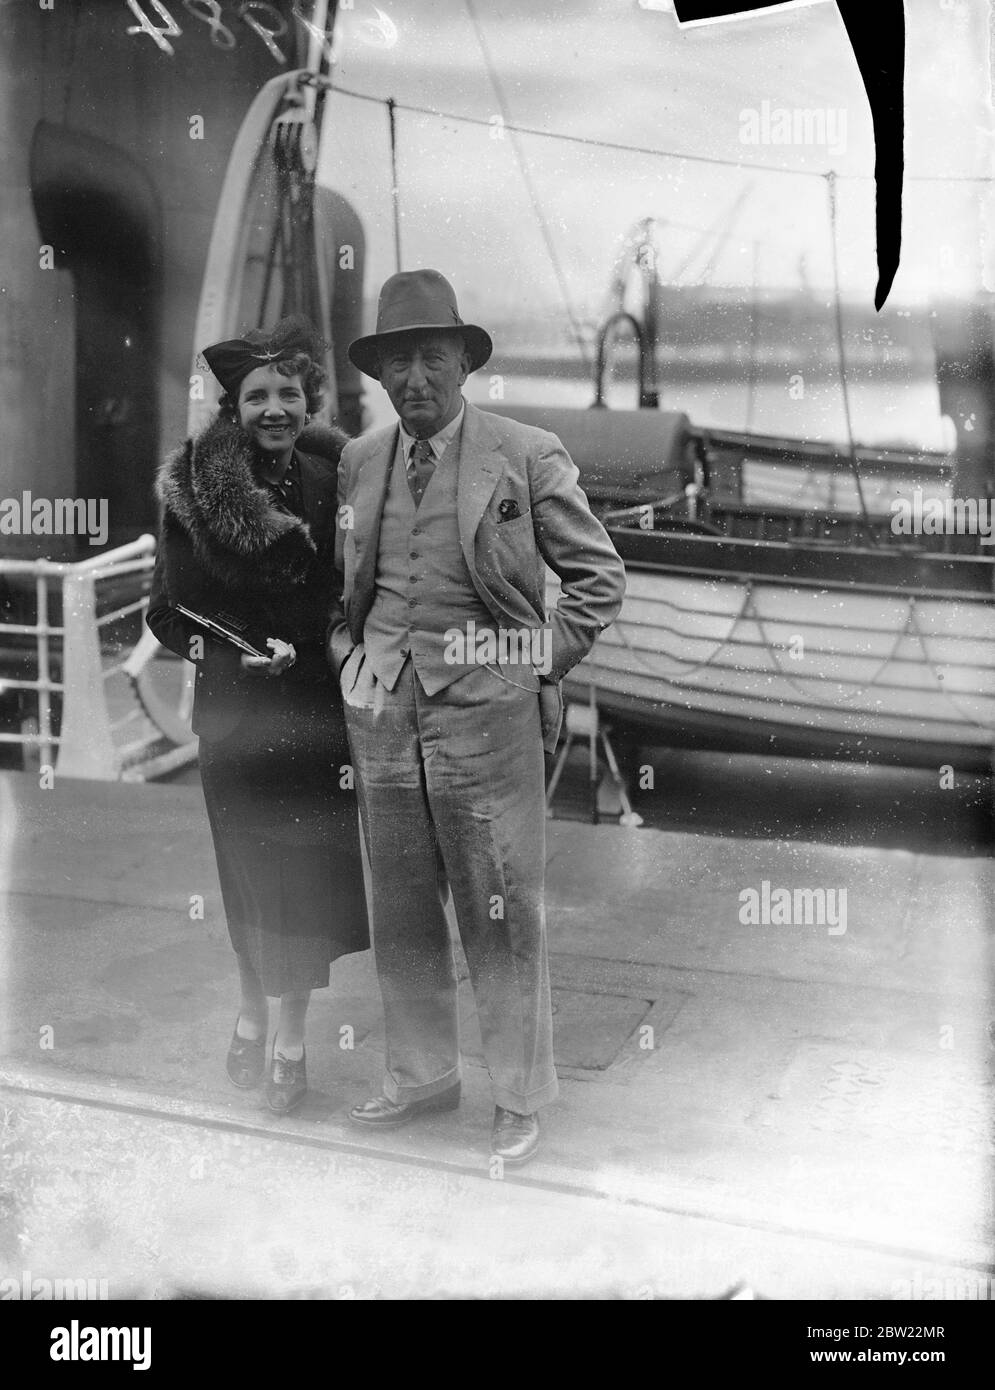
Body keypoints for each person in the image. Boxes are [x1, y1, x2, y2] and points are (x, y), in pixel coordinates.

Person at [328, 270, 626, 1165]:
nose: (414, 377)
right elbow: (350, 586)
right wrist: (350, 659)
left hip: (488, 720)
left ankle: (518, 1095)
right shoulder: (359, 459)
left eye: (431, 357)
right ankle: (421, 1075)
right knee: (400, 907)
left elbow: (598, 578)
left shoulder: (526, 454)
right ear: (379, 373)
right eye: (397, 362)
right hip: (384, 712)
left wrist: (532, 664)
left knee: (500, 908)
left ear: (462, 363)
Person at [147, 316, 369, 1115]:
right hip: (237, 719)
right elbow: (165, 615)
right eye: (257, 396)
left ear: (308, 402)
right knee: (248, 882)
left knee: (304, 883)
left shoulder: (336, 478)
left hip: (314, 713)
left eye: (288, 393)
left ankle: (291, 1042)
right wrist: (231, 653)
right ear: (232, 409)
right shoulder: (195, 494)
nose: (275, 408)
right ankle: (249, 1008)